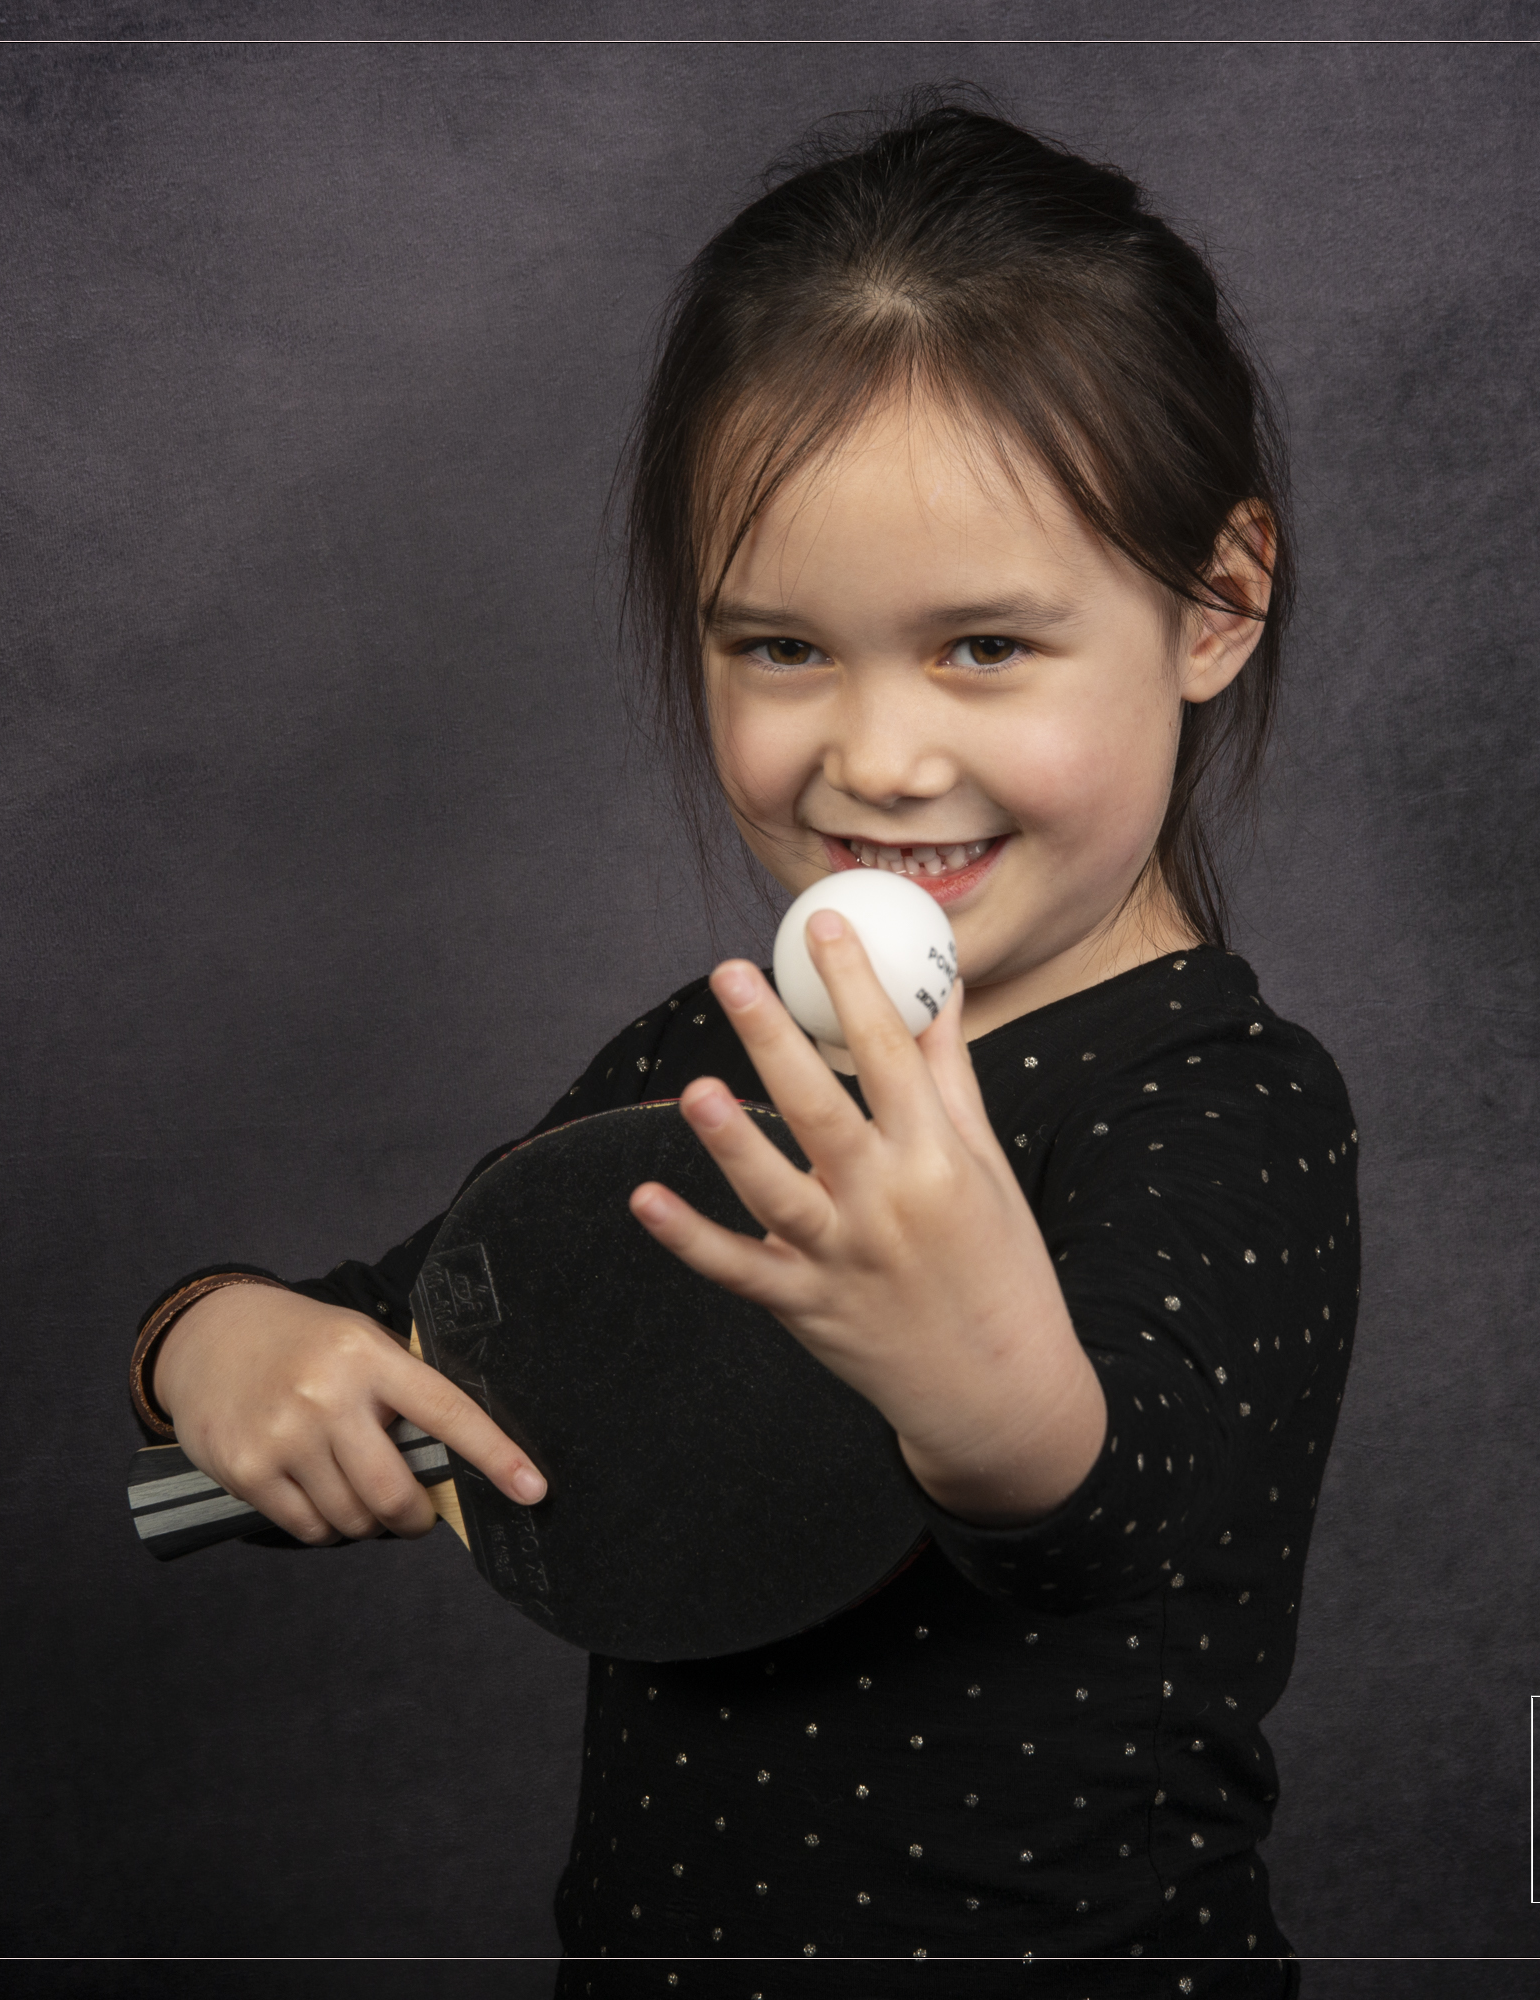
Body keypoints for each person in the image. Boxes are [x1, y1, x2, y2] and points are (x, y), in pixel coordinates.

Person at [129, 98, 1358, 1999]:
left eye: (982, 649)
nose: (872, 758)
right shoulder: (715, 1056)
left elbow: (1096, 1515)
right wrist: (216, 1334)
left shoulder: (1228, 1108)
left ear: (1215, 602)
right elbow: (464, 1335)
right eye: (782, 649)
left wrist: (981, 1383)